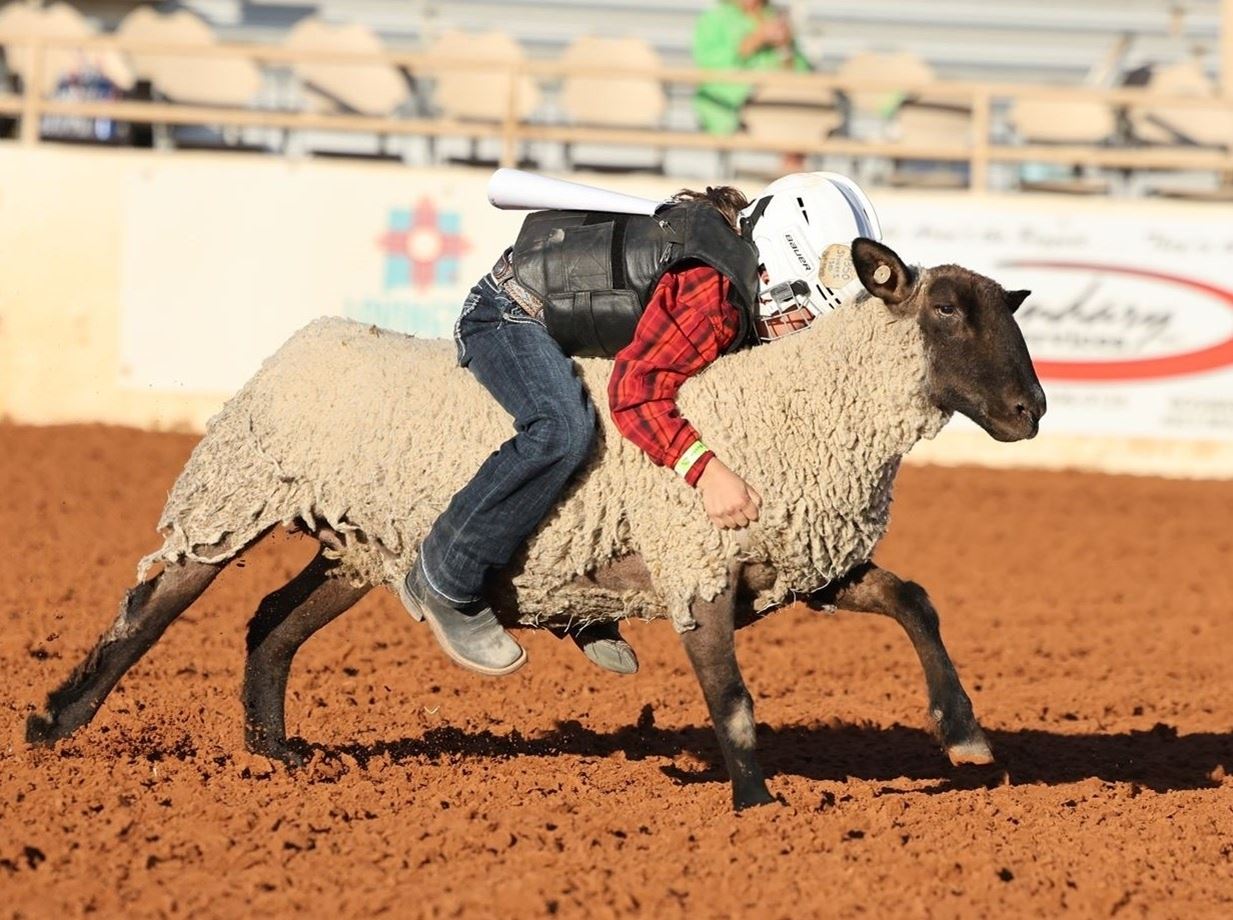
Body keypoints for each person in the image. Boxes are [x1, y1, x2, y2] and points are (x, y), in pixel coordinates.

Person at [399, 172, 881, 678]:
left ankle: (571, 606)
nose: (793, 331)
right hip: (508, 314)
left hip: (566, 319)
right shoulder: (710, 300)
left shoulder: (729, 258)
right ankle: (444, 576)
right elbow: (634, 394)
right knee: (560, 430)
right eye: (801, 314)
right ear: (777, 274)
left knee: (608, 446)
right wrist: (707, 471)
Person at [693, 0, 811, 137]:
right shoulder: (714, 19)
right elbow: (709, 64)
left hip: (778, 101)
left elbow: (799, 71)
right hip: (731, 103)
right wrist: (755, 40)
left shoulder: (774, 17)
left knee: (804, 110)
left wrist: (784, 47)